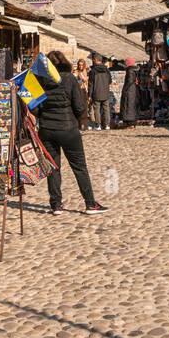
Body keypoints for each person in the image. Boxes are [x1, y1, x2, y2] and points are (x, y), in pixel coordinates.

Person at [35, 51, 108, 215]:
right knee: (79, 167)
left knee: (53, 168)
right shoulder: (69, 79)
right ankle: (90, 203)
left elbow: (35, 109)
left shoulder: (40, 81)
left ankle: (56, 205)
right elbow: (80, 106)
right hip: (68, 128)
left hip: (47, 129)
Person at [88, 54, 112, 131]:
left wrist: (89, 95)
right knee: (106, 109)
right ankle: (107, 125)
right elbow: (110, 81)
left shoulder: (93, 71)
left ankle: (98, 125)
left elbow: (90, 84)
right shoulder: (107, 70)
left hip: (96, 92)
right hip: (105, 92)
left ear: (95, 60)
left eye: (93, 60)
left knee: (97, 110)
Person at [74, 58, 90, 131]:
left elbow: (87, 81)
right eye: (79, 65)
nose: (80, 66)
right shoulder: (76, 72)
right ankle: (78, 124)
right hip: (78, 91)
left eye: (82, 65)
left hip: (84, 91)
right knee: (78, 107)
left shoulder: (86, 72)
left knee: (85, 108)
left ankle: (84, 125)